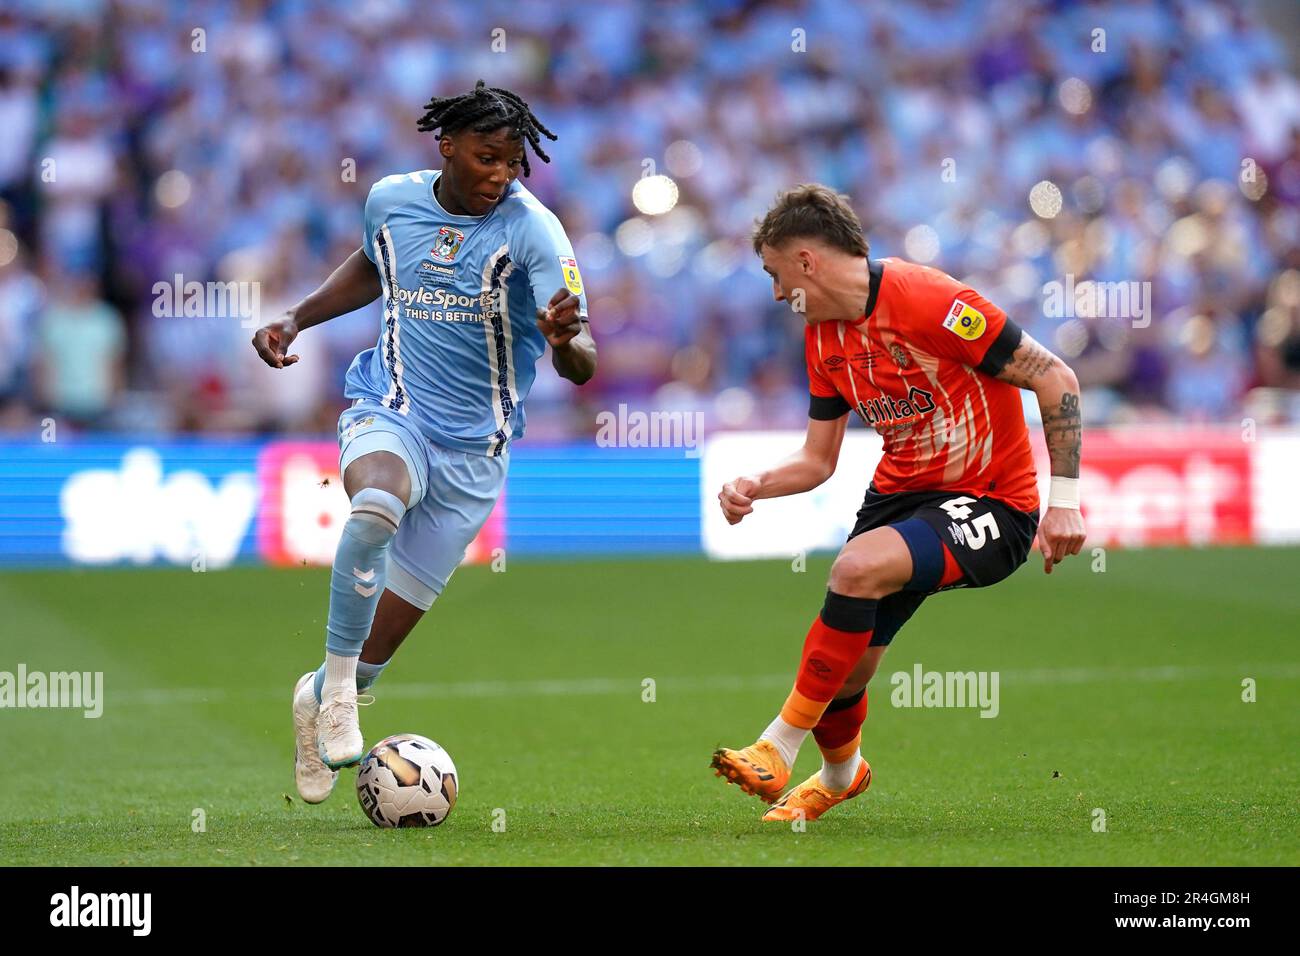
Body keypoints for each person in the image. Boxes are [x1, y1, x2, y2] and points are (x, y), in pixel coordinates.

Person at [252, 81, 597, 804]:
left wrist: (567, 342)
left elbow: (581, 356)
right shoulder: (390, 199)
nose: (500, 174)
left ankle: (320, 692)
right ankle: (339, 694)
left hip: (475, 455)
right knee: (375, 503)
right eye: (486, 157)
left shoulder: (534, 231)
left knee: (377, 652)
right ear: (447, 147)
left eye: (512, 162)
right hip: (392, 407)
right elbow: (374, 265)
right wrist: (296, 317)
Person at [712, 184, 1085, 821]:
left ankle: (778, 746)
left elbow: (1055, 377)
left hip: (991, 501)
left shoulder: (930, 300)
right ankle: (841, 775)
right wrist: (756, 484)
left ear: (807, 261)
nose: (776, 293)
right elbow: (818, 460)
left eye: (775, 274)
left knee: (853, 570)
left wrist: (1066, 502)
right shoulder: (823, 339)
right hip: (900, 499)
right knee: (843, 672)